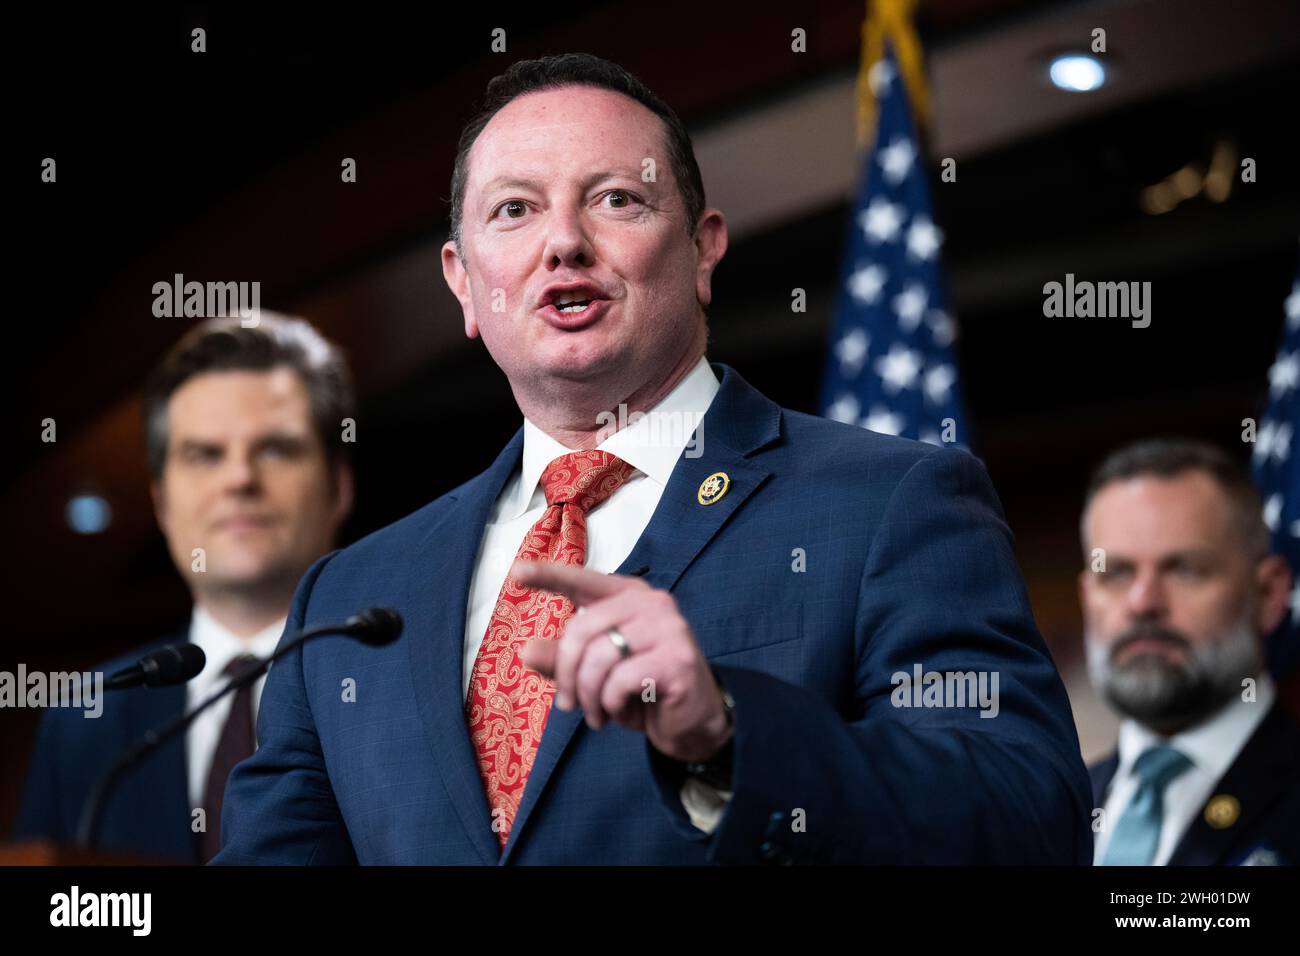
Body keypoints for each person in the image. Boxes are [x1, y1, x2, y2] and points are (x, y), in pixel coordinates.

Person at [214, 53, 1091, 865]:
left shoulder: (890, 501)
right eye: (514, 209)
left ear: (704, 247)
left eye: (616, 199)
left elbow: (1030, 812)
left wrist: (732, 735)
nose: (562, 242)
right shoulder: (353, 597)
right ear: (464, 283)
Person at [14, 313, 355, 863]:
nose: (238, 479)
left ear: (338, 486)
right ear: (161, 504)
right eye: (205, 455)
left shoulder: (402, 691)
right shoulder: (84, 718)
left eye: (274, 449)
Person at [1080, 439, 1300, 865]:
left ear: (1270, 593)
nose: (1143, 602)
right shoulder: (1047, 813)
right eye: (1117, 573)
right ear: (1087, 593)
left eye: (1184, 569)